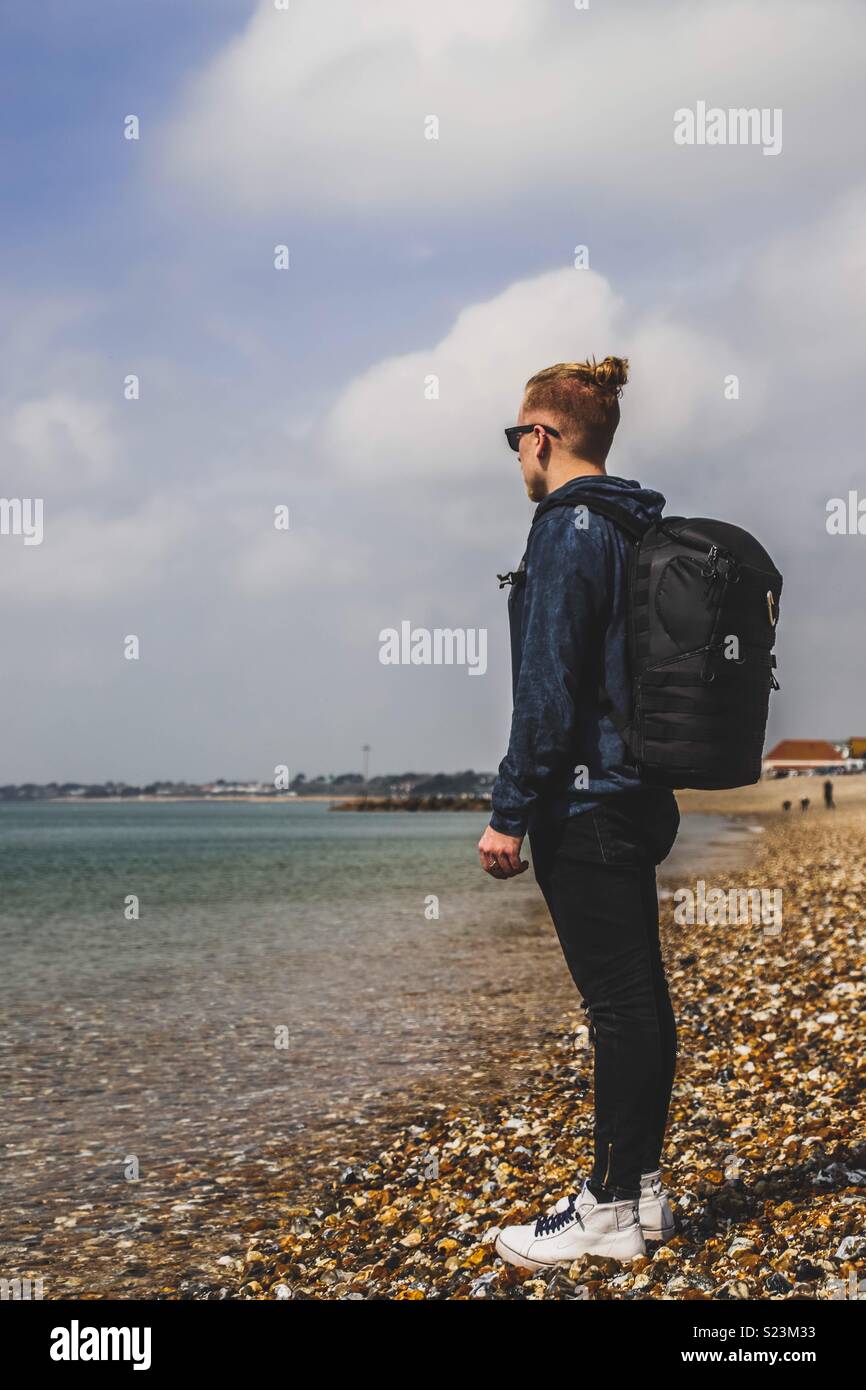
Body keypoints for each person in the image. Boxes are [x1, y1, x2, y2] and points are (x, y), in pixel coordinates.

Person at [478, 356, 679, 1268]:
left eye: (516, 437)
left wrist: (509, 811)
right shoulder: (639, 526)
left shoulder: (569, 529)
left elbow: (550, 691)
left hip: (587, 803)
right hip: (639, 794)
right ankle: (638, 1191)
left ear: (543, 436)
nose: (515, 455)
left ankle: (604, 1212)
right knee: (641, 1005)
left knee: (621, 1007)